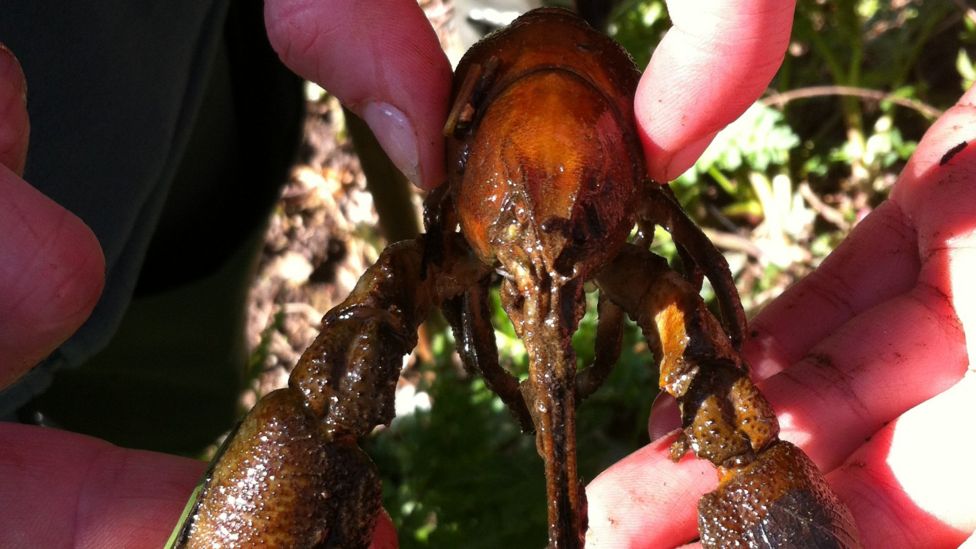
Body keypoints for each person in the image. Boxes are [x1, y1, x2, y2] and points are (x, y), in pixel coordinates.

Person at [0, 0, 973, 547]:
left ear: (644, 206)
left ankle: (155, 407)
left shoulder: (641, 252)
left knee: (179, 268)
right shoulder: (450, 224)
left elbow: (689, 279)